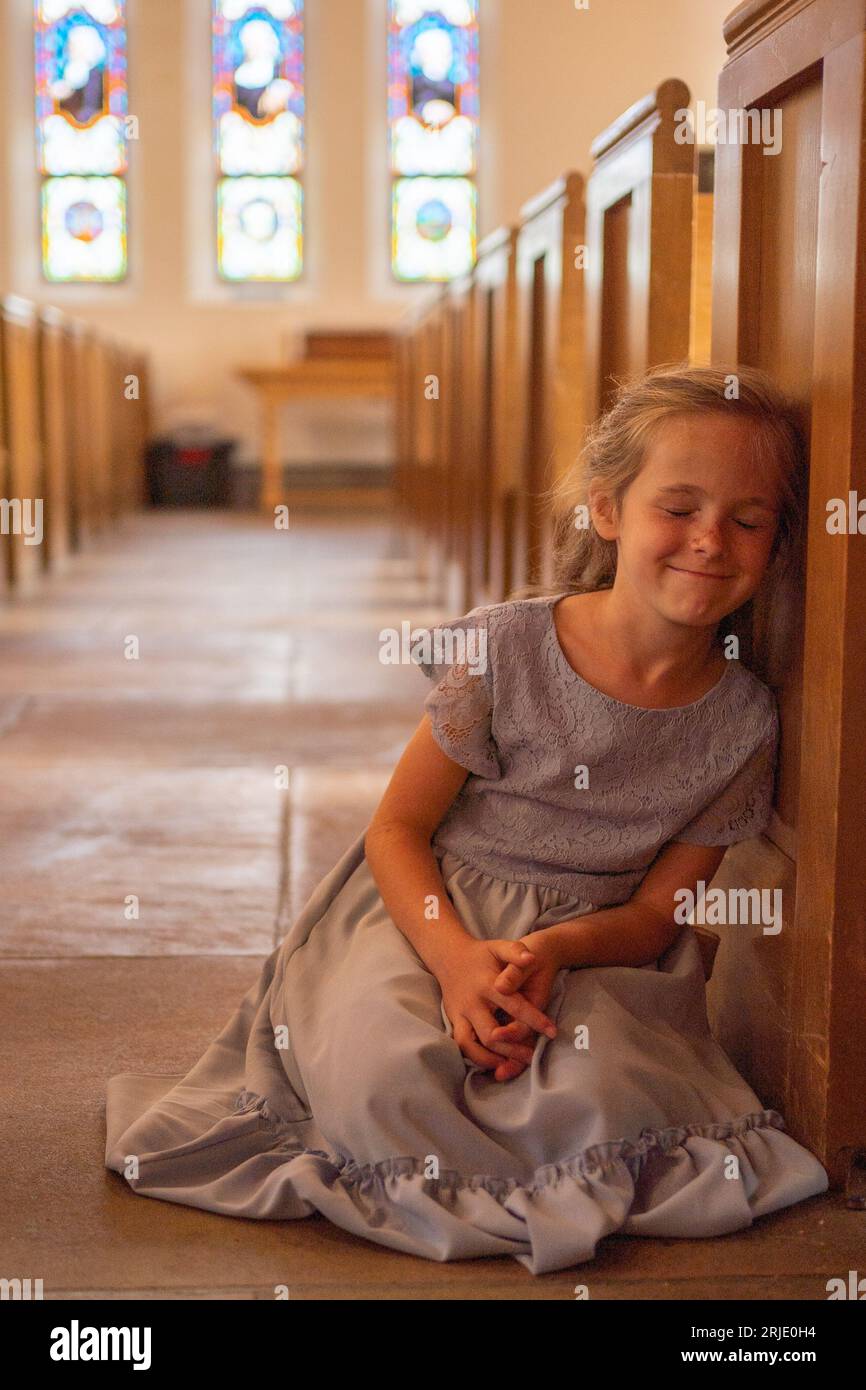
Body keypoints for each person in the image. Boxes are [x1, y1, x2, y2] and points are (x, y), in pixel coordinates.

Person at [104, 362, 828, 1275]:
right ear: (607, 510)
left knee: (601, 1092)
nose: (710, 540)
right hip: (425, 912)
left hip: (593, 945)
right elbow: (395, 832)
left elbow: (656, 918)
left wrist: (550, 956)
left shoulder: (743, 721)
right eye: (677, 508)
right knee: (384, 1071)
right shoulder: (505, 647)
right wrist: (455, 963)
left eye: (748, 520)